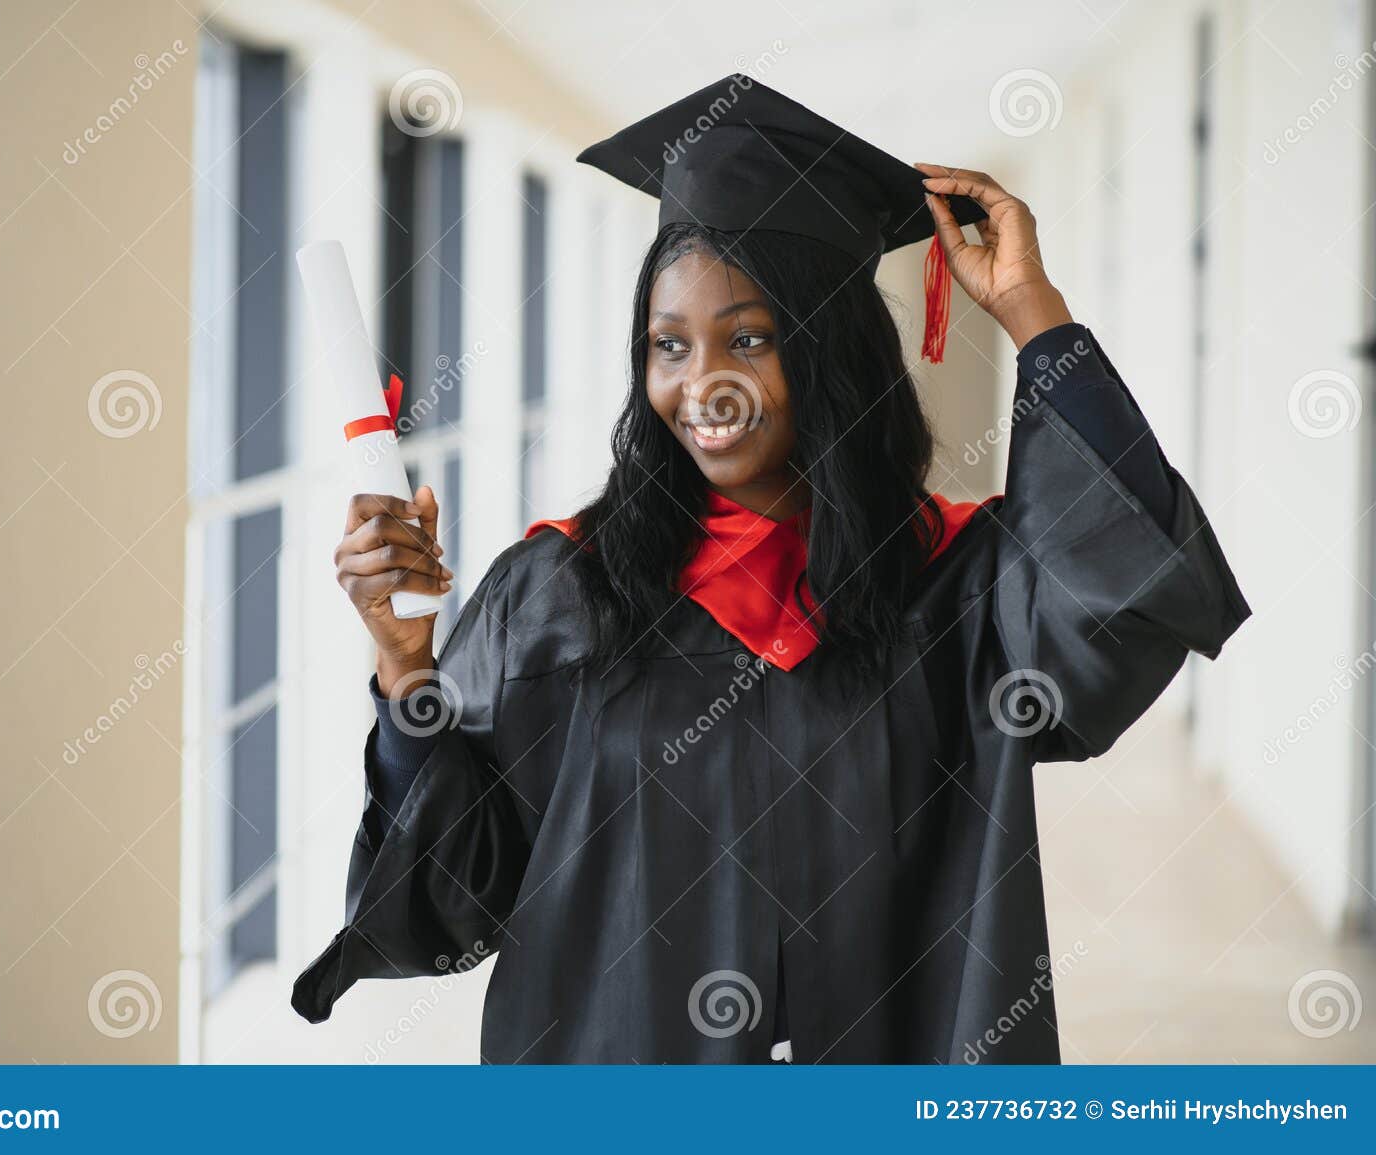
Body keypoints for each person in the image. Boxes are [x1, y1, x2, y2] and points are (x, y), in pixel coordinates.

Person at [291, 75, 1250, 1064]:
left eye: (748, 338)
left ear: (833, 353)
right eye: (668, 346)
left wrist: (1032, 312)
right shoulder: (561, 593)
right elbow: (454, 896)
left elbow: (1130, 599)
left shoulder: (961, 587)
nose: (700, 381)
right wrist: (406, 666)